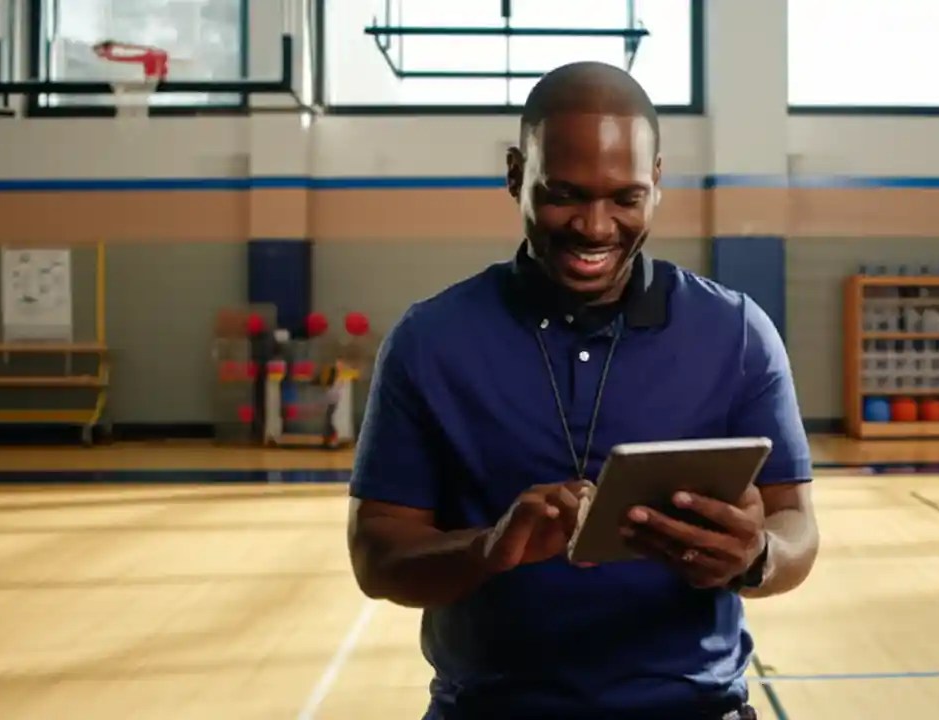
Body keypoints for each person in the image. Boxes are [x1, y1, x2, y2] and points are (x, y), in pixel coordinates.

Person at [346, 61, 819, 720]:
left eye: (625, 198)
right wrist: (490, 548)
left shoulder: (736, 334)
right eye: (564, 194)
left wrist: (757, 555)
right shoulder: (431, 341)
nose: (595, 228)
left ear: (656, 183)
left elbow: (796, 525)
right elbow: (378, 554)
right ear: (516, 174)